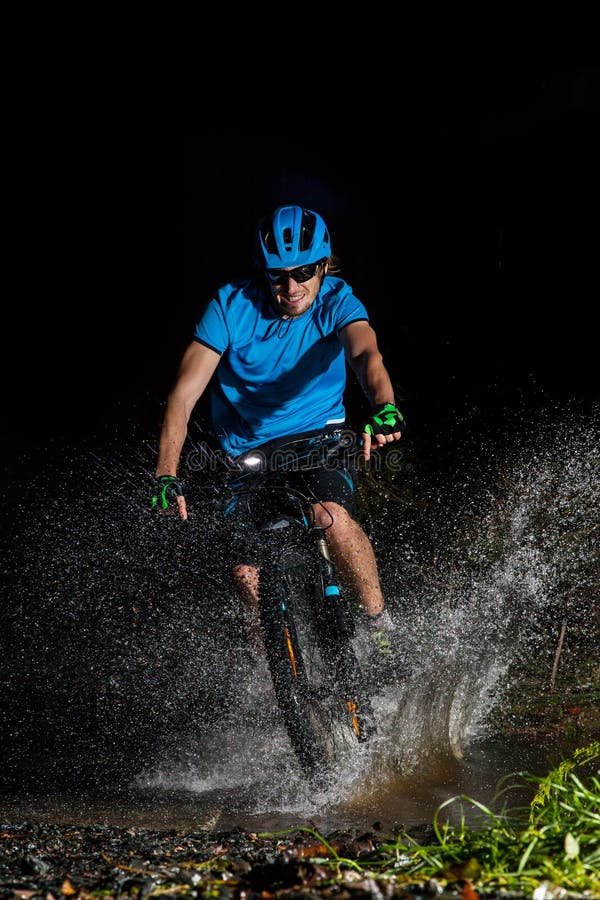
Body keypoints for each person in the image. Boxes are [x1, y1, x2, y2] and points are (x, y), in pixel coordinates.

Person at [151, 204, 408, 675]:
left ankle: (380, 629)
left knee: (329, 517)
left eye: (303, 273)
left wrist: (383, 405)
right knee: (245, 572)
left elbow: (367, 354)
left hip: (318, 438)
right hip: (246, 454)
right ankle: (276, 683)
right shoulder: (230, 306)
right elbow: (182, 397)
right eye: (278, 276)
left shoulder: (338, 301)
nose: (291, 288)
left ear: (325, 266)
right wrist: (167, 474)